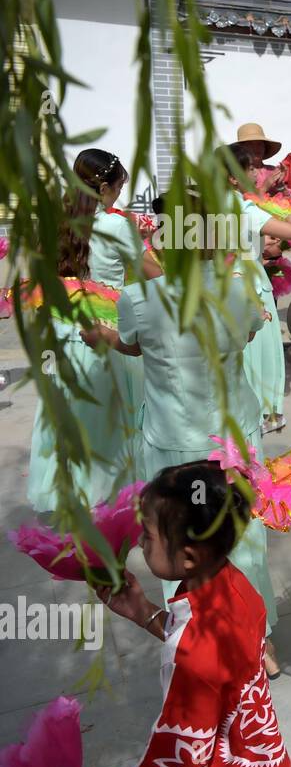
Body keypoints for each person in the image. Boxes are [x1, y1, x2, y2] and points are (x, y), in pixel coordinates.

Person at [81, 172, 284, 675]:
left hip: (172, 439)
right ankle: (261, 643)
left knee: (176, 537)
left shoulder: (136, 300)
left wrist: (106, 338)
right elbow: (248, 332)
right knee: (242, 536)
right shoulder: (237, 296)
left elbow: (135, 343)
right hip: (231, 437)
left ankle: (191, 634)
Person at [92, 461, 291, 767]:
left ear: (187, 556)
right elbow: (209, 650)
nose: (140, 543)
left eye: (149, 535)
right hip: (260, 763)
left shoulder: (190, 660)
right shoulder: (237, 586)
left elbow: (178, 758)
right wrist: (142, 611)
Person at [27, 148, 152, 512]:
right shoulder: (115, 225)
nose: (119, 197)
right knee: (110, 418)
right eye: (118, 188)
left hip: (60, 331)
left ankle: (64, 493)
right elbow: (149, 271)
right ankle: (106, 499)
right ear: (106, 187)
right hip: (103, 331)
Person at [228, 143, 291, 435]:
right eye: (250, 168)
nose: (256, 172)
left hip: (225, 283)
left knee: (237, 353)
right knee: (261, 351)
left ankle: (242, 411)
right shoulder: (244, 208)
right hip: (250, 283)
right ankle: (261, 414)